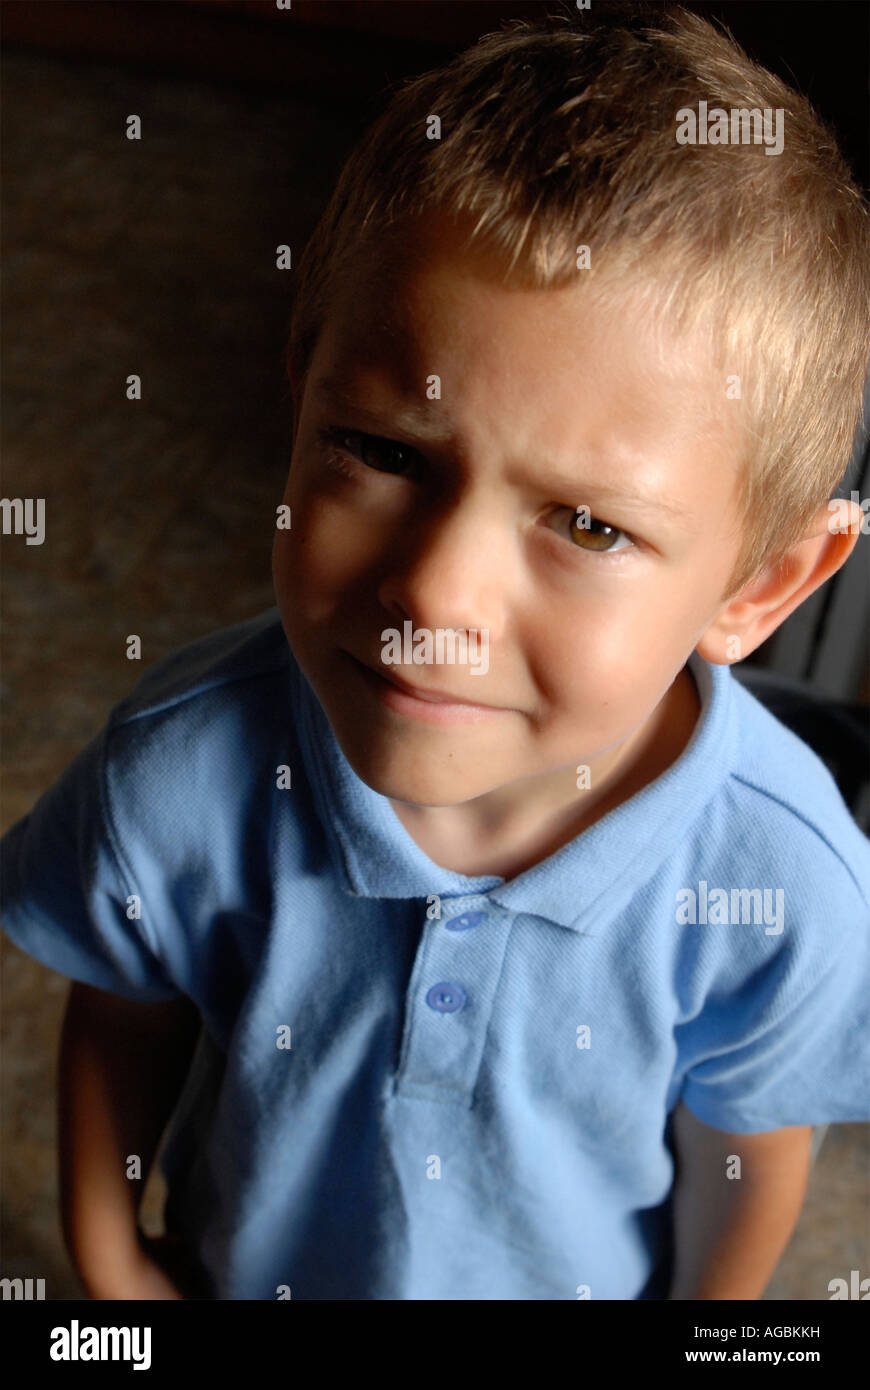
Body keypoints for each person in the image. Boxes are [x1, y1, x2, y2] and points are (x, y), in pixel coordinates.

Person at [3, 5, 869, 1301]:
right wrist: (115, 1271)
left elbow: (747, 1152)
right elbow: (122, 1018)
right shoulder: (177, 769)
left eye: (587, 523)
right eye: (383, 451)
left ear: (759, 586)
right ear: (303, 394)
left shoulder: (783, 879)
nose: (433, 593)